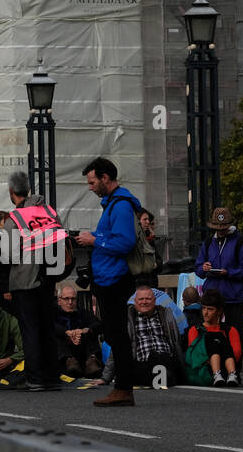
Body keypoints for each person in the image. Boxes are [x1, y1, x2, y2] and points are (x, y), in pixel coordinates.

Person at [75, 157, 141, 407]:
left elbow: (124, 242)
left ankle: (124, 388)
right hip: (107, 277)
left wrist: (94, 240)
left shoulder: (120, 205)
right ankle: (122, 387)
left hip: (114, 278)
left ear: (105, 178)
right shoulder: (113, 203)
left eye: (92, 182)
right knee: (114, 334)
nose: (90, 187)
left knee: (117, 334)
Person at [6, 171, 65, 391]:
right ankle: (53, 376)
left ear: (12, 192)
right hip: (48, 277)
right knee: (47, 328)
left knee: (30, 330)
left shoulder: (16, 218)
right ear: (29, 190)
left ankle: (36, 378)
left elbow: (8, 253)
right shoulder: (49, 211)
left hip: (25, 280)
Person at [97, 285, 184, 387]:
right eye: (141, 299)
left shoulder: (166, 314)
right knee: (151, 364)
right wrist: (105, 378)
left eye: (148, 299)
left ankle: (162, 376)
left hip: (166, 360)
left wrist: (183, 372)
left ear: (155, 300)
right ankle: (160, 377)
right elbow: (117, 348)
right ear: (135, 301)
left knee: (162, 359)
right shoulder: (128, 318)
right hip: (142, 364)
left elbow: (176, 341)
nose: (144, 302)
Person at [195, 206, 243, 336]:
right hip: (212, 299)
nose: (220, 231)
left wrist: (228, 272)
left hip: (234, 298)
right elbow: (198, 268)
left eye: (223, 228)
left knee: (234, 335)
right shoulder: (208, 242)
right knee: (209, 335)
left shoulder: (240, 243)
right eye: (217, 228)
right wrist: (203, 268)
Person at [185, 289, 241, 386]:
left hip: (228, 368)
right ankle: (218, 374)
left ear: (219, 311)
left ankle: (230, 375)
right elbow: (195, 356)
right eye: (203, 308)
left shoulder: (230, 330)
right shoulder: (195, 329)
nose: (205, 313)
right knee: (213, 341)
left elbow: (236, 354)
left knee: (219, 340)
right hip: (205, 370)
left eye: (210, 309)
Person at [54, 282, 103, 377]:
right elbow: (50, 326)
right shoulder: (53, 313)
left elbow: (98, 324)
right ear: (59, 300)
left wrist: (85, 330)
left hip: (83, 354)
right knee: (56, 335)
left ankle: (92, 361)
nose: (70, 302)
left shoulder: (83, 313)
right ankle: (69, 361)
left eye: (73, 299)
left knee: (89, 332)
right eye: (66, 299)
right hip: (63, 356)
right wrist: (66, 332)